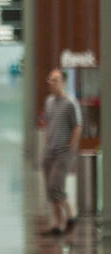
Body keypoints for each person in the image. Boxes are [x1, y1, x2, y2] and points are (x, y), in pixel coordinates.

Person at [41, 68, 81, 235]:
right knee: (50, 190)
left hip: (63, 152)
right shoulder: (49, 102)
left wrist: (70, 149)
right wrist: (47, 142)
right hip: (49, 151)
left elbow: (77, 126)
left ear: (63, 82)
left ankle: (71, 215)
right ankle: (57, 225)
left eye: (56, 80)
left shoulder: (70, 103)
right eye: (50, 79)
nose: (52, 83)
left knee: (55, 186)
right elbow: (48, 123)